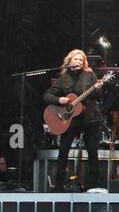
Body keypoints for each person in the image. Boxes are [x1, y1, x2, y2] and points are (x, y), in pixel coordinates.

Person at [44, 50, 106, 191]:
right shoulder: (64, 78)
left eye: (81, 60)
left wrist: (97, 89)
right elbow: (47, 95)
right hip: (71, 119)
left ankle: (93, 186)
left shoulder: (90, 75)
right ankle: (58, 186)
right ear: (70, 61)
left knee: (92, 151)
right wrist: (58, 99)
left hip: (90, 117)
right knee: (63, 150)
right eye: (76, 59)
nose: (78, 62)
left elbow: (98, 96)